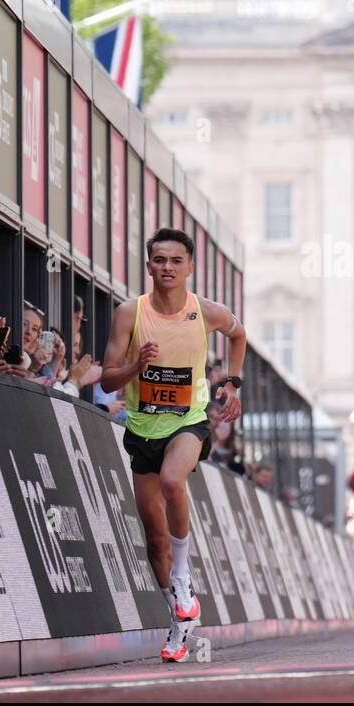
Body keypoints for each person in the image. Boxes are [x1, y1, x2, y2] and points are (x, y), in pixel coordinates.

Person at [100, 228, 247, 663]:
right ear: (148, 266)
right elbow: (107, 380)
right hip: (143, 426)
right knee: (153, 539)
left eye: (176, 261)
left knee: (171, 479)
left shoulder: (206, 312)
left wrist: (233, 383)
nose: (167, 268)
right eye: (159, 260)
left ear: (190, 267)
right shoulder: (130, 313)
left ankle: (183, 576)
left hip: (190, 420)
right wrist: (135, 366)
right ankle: (178, 623)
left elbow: (239, 336)